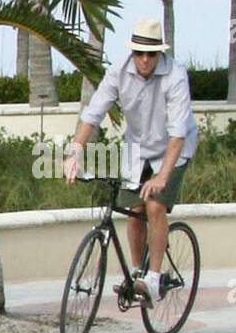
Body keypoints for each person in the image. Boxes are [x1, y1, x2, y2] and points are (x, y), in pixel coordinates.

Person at [64, 18, 197, 306]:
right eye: (140, 53)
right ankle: (138, 273)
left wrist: (162, 176)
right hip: (137, 149)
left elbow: (177, 134)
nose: (145, 59)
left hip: (174, 149)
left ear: (159, 53)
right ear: (132, 52)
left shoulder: (175, 75)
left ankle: (155, 276)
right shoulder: (118, 73)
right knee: (133, 208)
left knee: (154, 204)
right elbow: (93, 113)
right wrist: (74, 153)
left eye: (152, 53)